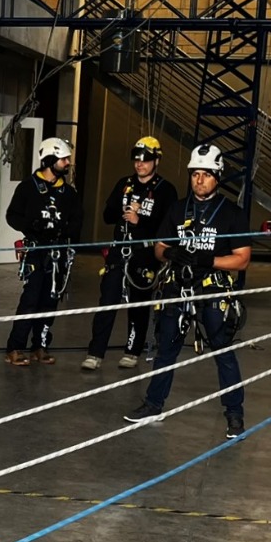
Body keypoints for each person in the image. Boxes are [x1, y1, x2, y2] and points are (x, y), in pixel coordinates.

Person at [125, 143, 251, 439]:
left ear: (217, 177)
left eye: (206, 174)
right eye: (195, 174)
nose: (200, 180)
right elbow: (159, 248)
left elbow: (242, 259)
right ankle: (154, 405)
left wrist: (210, 260)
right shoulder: (178, 209)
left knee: (223, 352)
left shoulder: (231, 214)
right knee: (166, 350)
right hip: (178, 287)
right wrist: (170, 254)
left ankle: (234, 414)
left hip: (212, 290)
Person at [82, 135, 178, 371]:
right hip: (119, 250)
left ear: (156, 161)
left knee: (138, 304)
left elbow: (168, 228)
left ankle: (132, 351)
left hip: (144, 253)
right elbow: (107, 216)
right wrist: (122, 208)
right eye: (136, 159)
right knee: (107, 301)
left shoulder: (165, 190)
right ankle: (95, 353)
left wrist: (139, 220)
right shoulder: (124, 184)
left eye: (145, 160)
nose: (140, 164)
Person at [5, 136, 83, 365]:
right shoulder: (28, 187)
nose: (67, 163)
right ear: (49, 160)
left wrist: (63, 231)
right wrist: (32, 226)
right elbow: (12, 216)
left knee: (50, 300)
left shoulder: (69, 193)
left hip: (58, 253)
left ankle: (40, 345)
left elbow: (77, 222)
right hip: (36, 251)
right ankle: (15, 347)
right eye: (63, 159)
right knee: (30, 299)